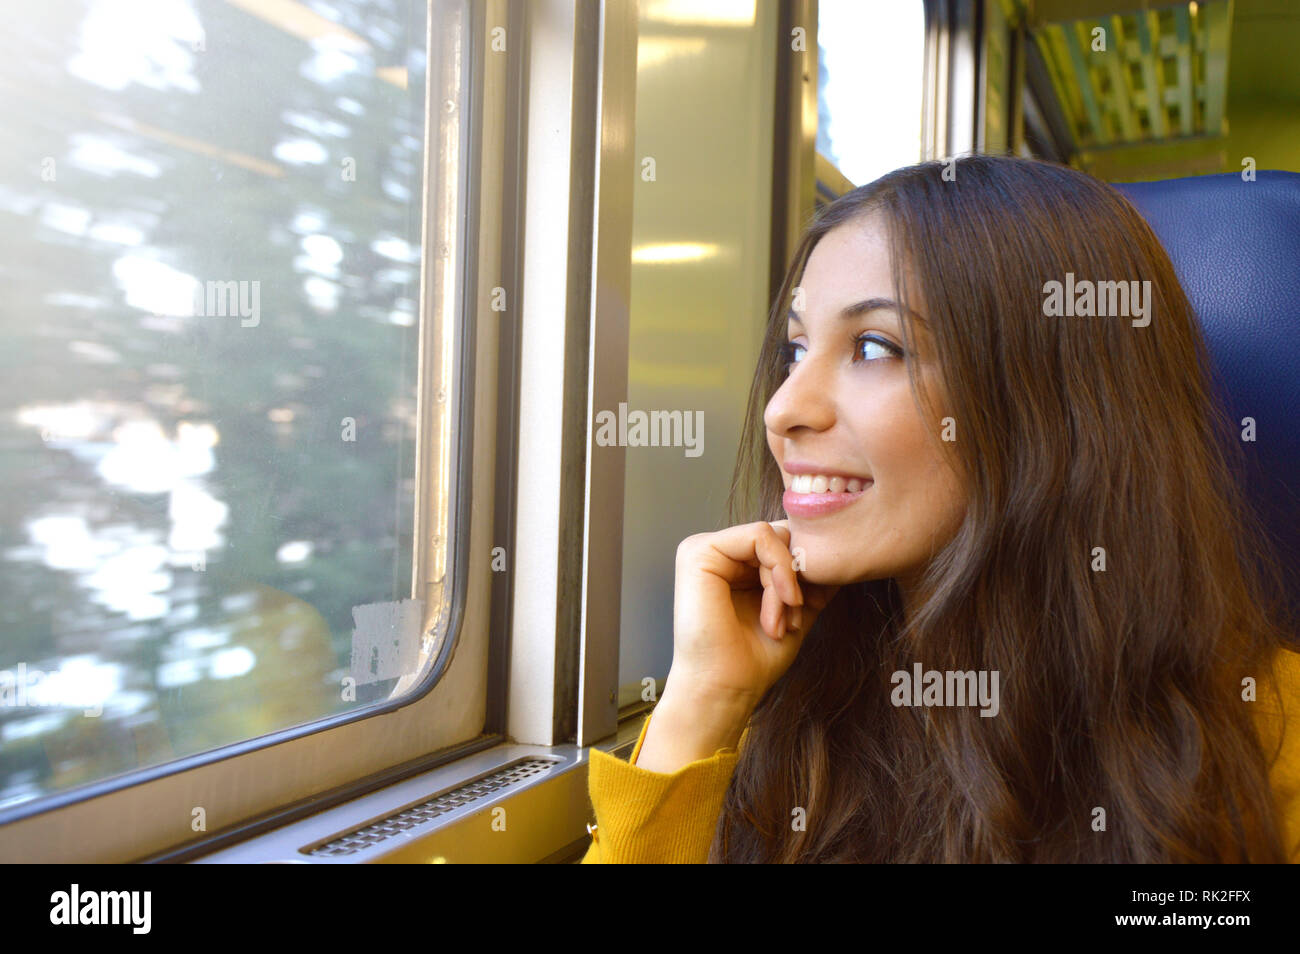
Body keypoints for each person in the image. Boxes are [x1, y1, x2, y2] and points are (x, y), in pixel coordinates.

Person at [581, 155, 1299, 863]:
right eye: (795, 350)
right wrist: (703, 701)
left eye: (873, 347)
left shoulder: (1272, 740)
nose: (782, 409)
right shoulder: (775, 719)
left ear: (1047, 402)